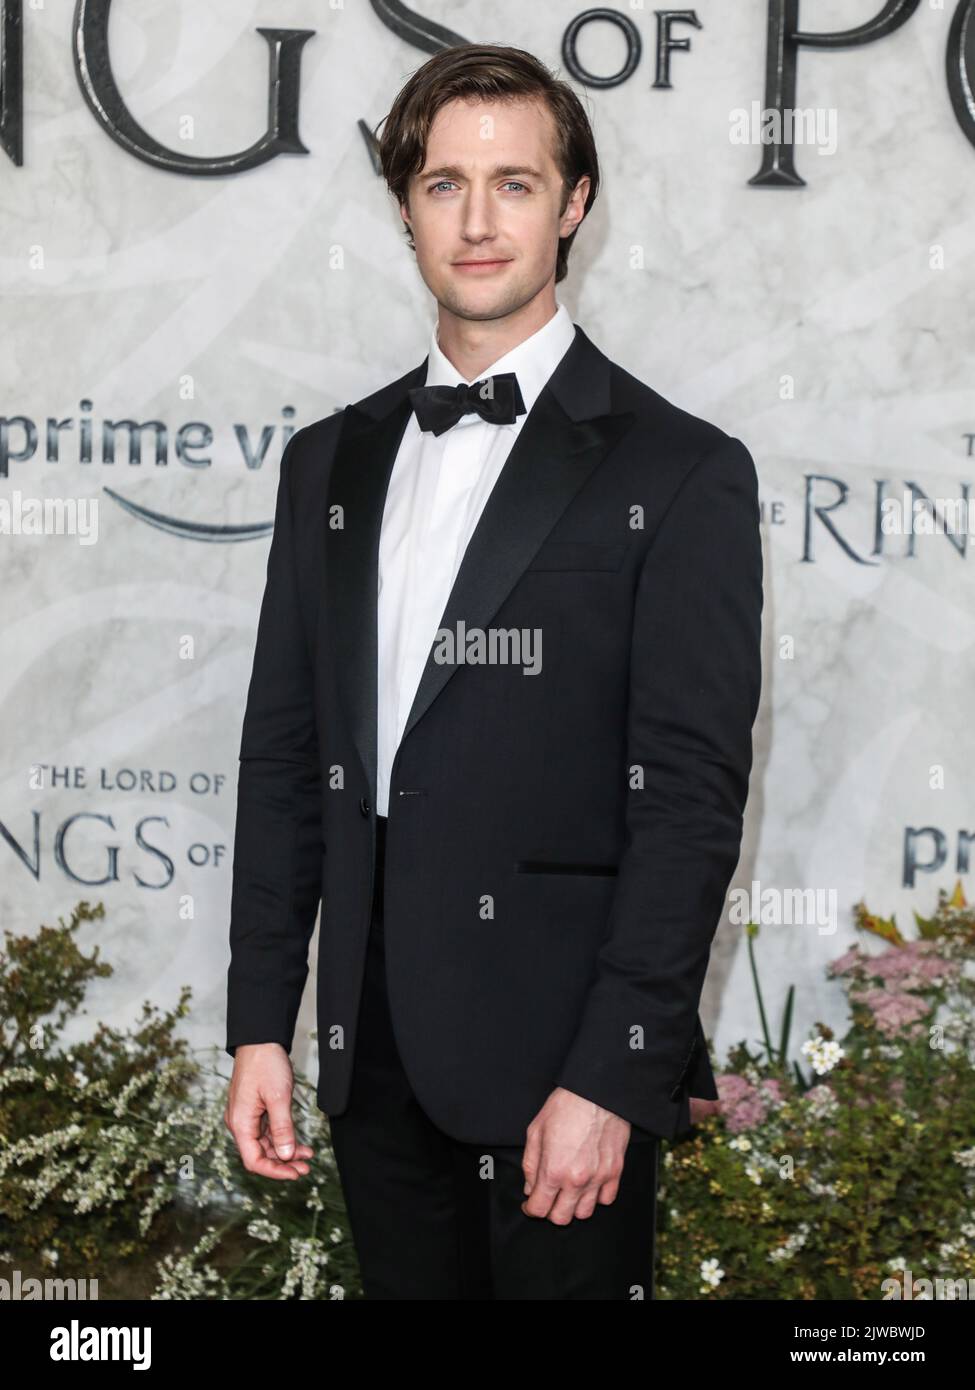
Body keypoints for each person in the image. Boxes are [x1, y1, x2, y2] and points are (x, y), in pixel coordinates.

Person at [224, 42, 763, 1300]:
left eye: (515, 184)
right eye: (443, 184)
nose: (477, 221)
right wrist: (263, 1021)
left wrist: (611, 1077)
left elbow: (688, 806)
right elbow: (285, 760)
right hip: (375, 1060)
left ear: (575, 206)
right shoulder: (327, 464)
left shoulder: (679, 470)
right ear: (404, 205)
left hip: (561, 1068)